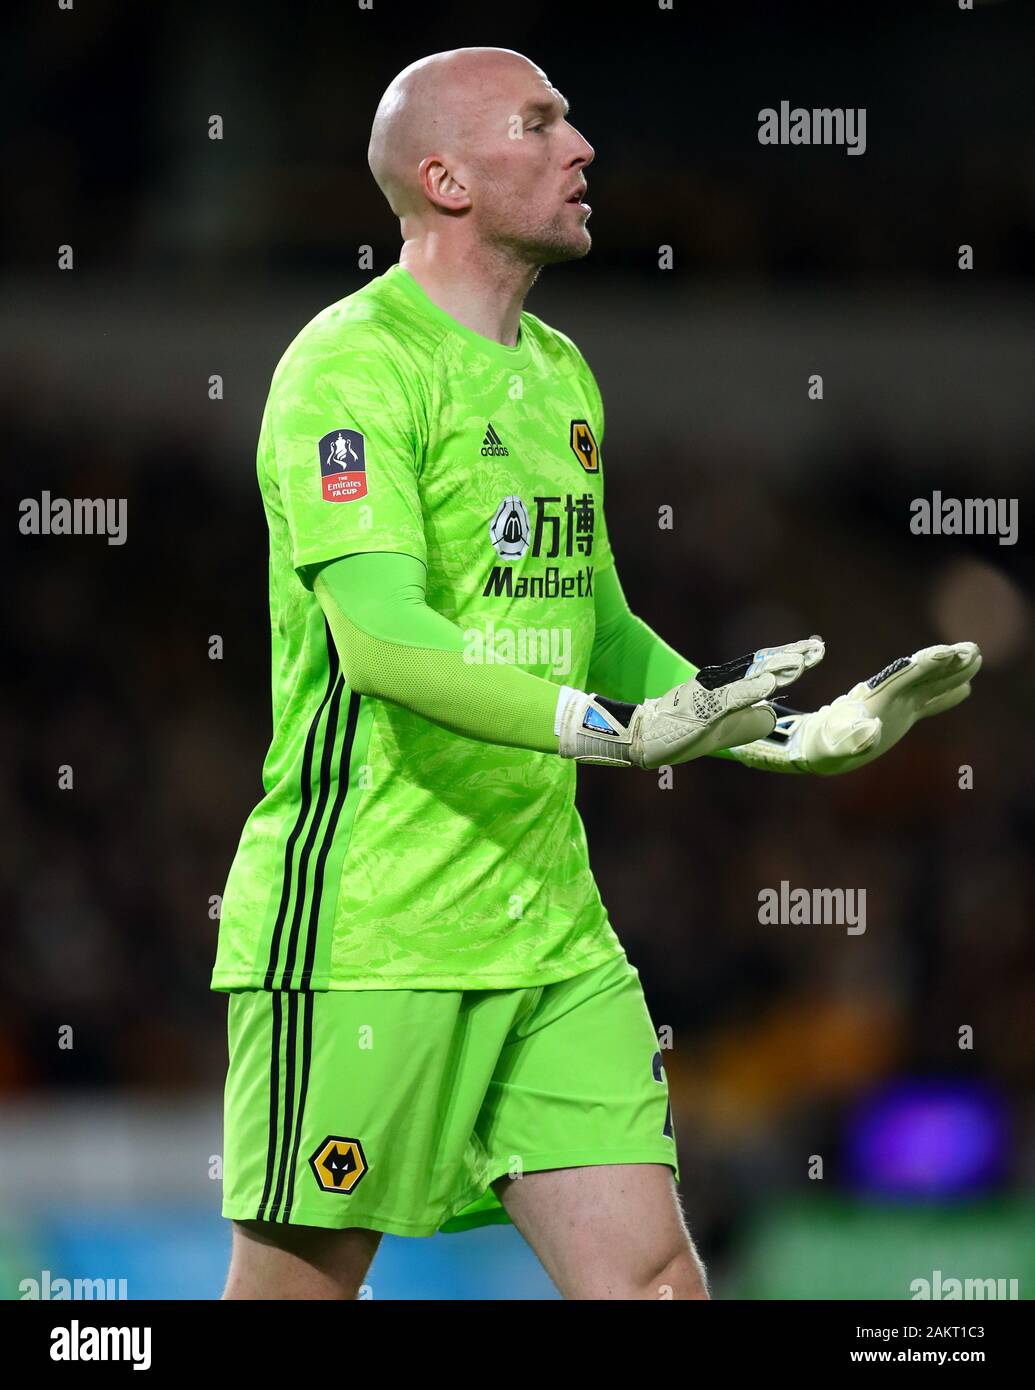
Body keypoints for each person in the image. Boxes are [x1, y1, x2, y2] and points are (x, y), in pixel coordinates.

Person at [213, 46, 980, 1300]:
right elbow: (386, 643)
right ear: (446, 177)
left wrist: (786, 734)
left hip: (551, 928)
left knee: (655, 1284)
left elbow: (603, 630)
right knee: (299, 1288)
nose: (581, 148)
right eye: (541, 122)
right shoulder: (350, 368)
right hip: (370, 930)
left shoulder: (562, 374)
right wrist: (609, 732)